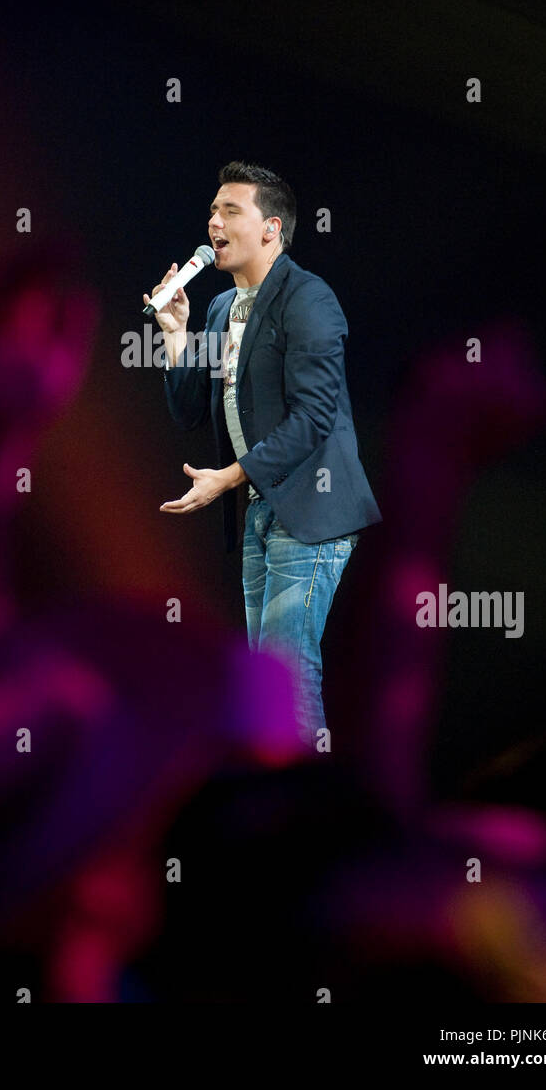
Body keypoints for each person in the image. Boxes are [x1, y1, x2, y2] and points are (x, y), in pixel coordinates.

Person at [144, 160, 382, 748]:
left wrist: (228, 477)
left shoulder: (307, 298)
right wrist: (176, 332)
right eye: (212, 211)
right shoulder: (223, 310)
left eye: (230, 211)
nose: (213, 223)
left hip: (310, 510)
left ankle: (309, 829)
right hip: (261, 510)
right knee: (265, 683)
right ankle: (279, 813)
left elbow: (314, 417)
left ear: (271, 227)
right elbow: (188, 410)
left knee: (288, 671)